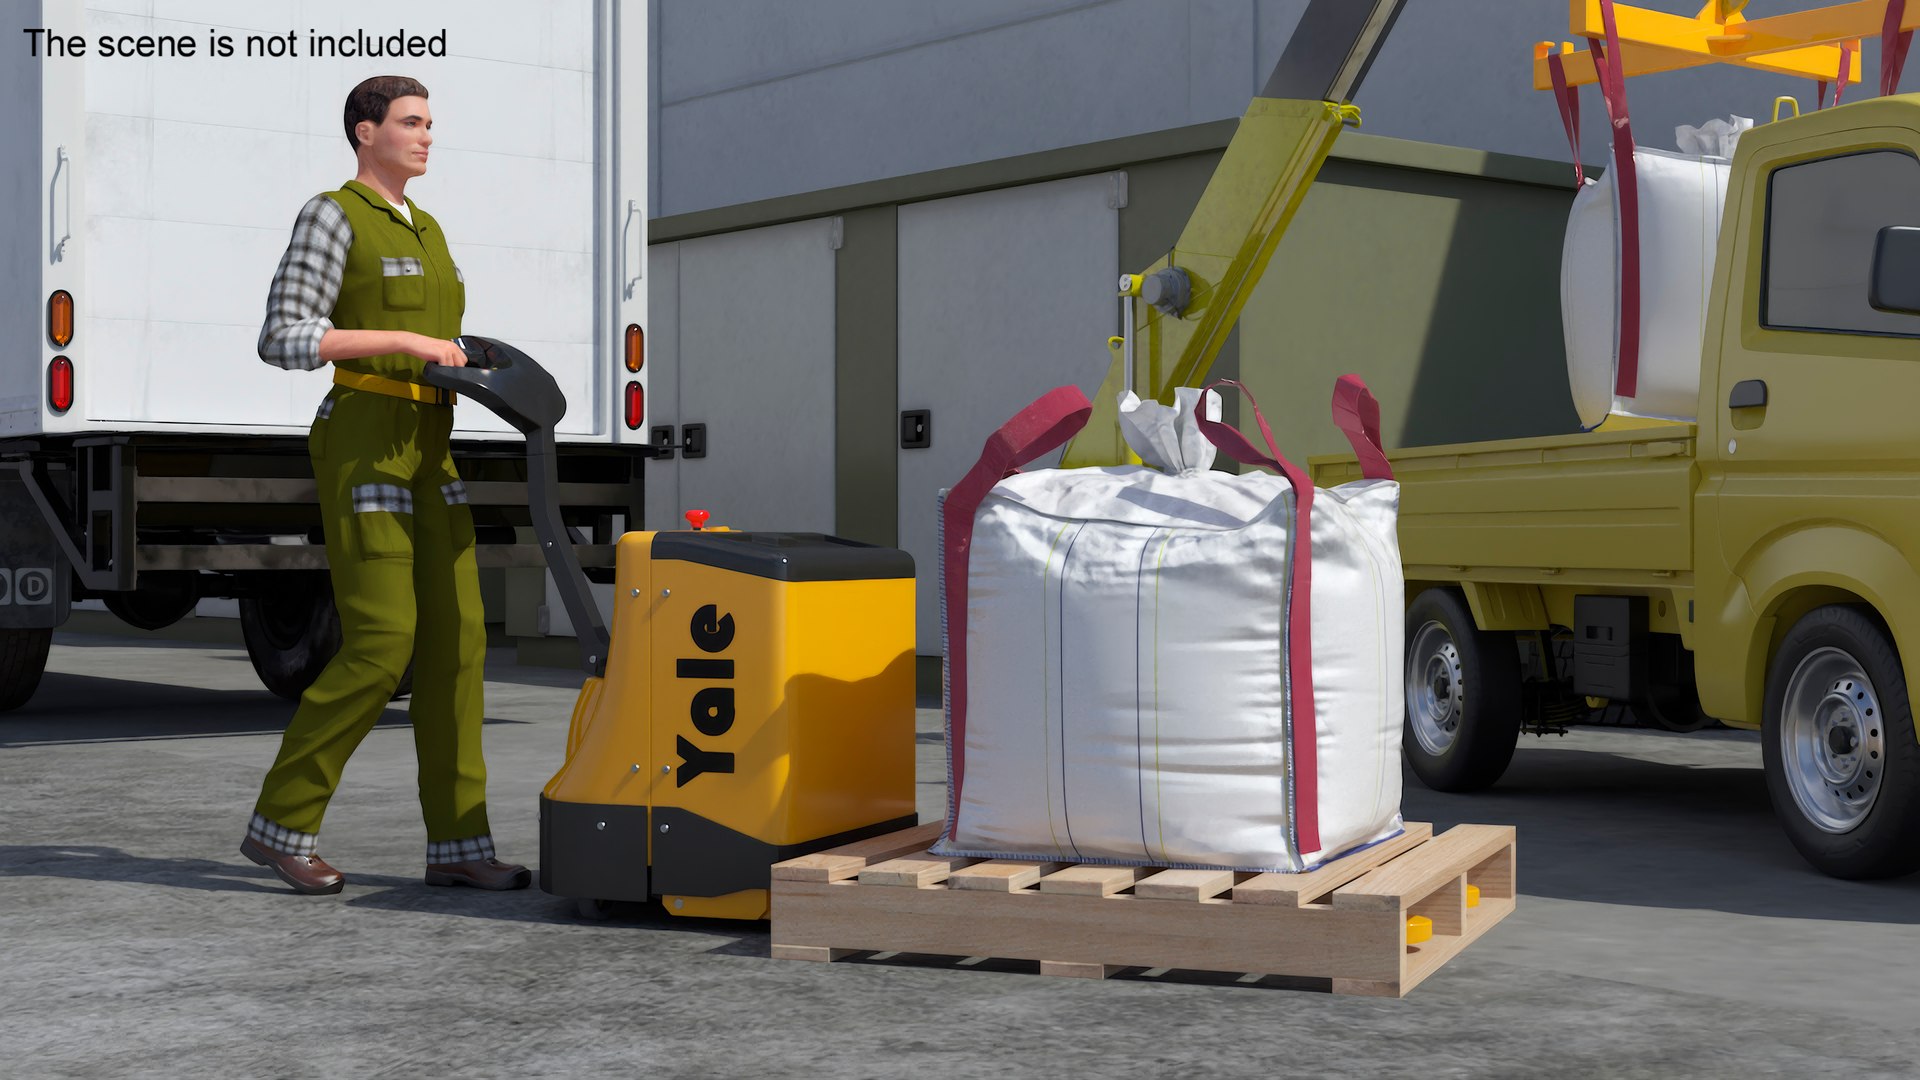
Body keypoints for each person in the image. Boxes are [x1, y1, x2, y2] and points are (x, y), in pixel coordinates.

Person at [240, 75, 528, 895]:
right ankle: (282, 825)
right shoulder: (332, 215)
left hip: (432, 442)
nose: (426, 135)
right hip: (366, 440)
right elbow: (283, 336)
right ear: (366, 133)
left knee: (460, 641)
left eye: (431, 122)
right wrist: (404, 336)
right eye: (410, 122)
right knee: (380, 641)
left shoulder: (428, 228)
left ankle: (460, 846)